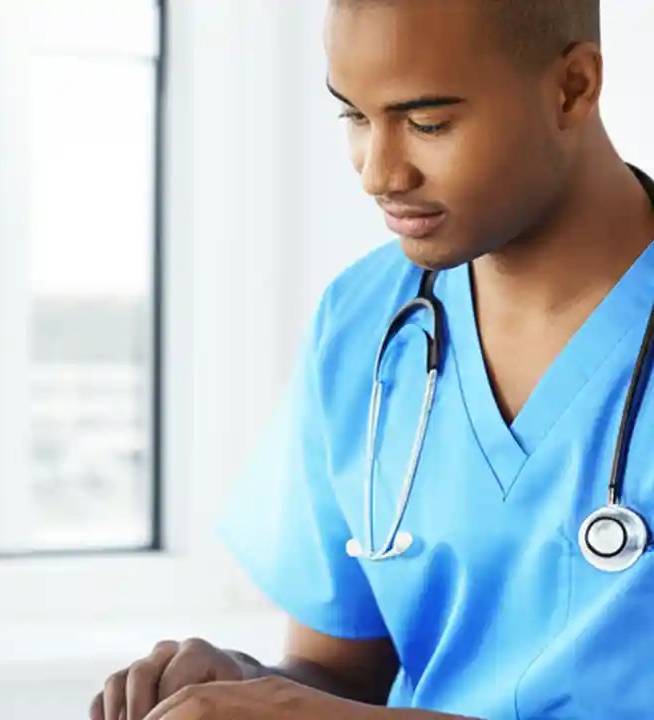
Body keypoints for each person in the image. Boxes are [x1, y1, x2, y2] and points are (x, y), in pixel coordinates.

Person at [90, 1, 654, 719]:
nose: (379, 173)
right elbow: (340, 672)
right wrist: (247, 683)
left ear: (572, 87)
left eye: (427, 123)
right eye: (355, 117)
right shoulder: (363, 322)